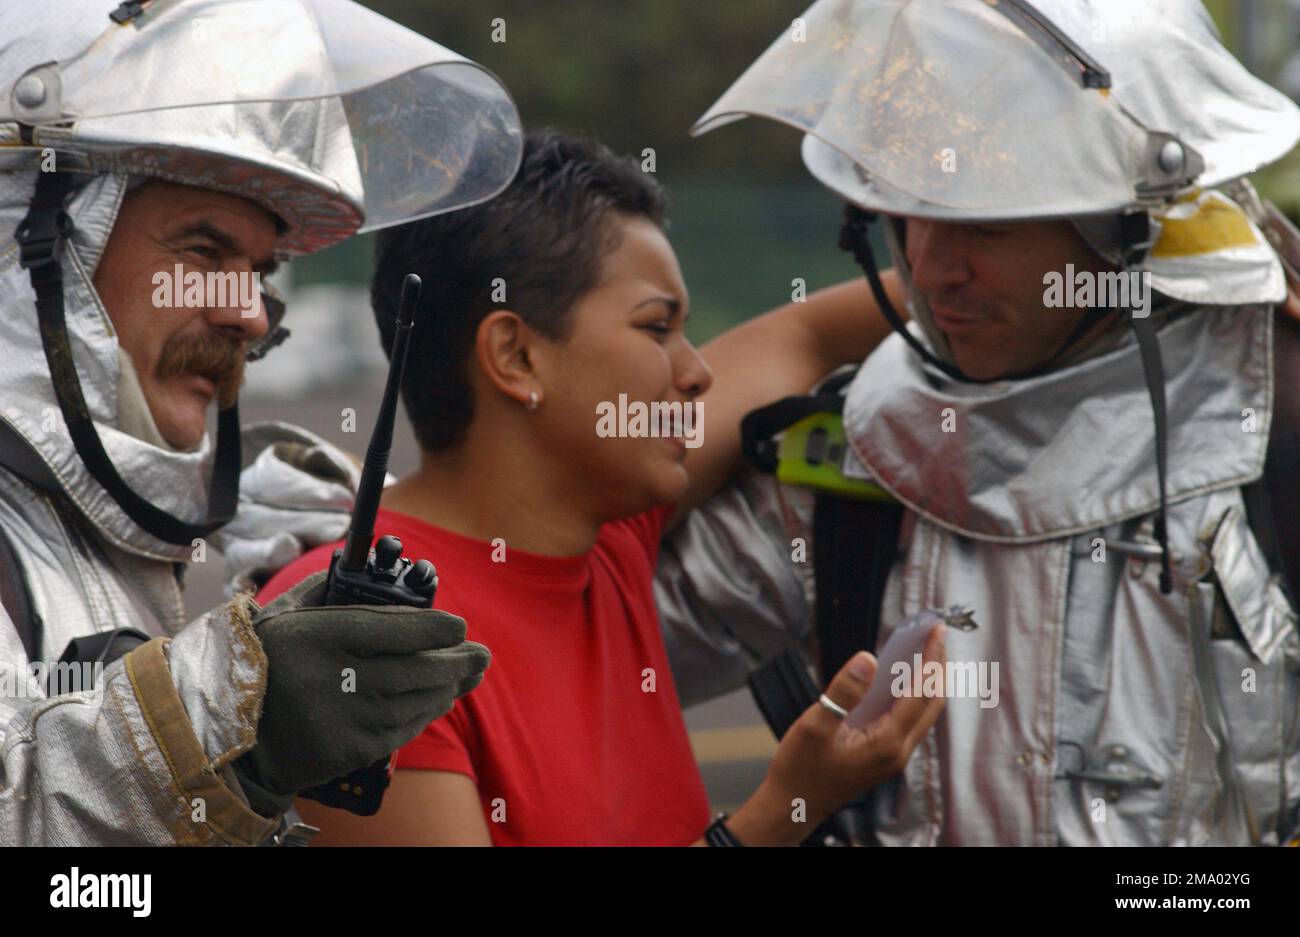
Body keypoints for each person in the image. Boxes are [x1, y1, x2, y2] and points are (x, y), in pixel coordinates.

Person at [673, 0, 1300, 845]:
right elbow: (577, 650)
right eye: (903, 211)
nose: (929, 270)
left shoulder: (1276, 434)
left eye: (984, 223)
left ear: (1122, 232)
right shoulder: (846, 468)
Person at [260, 129, 945, 846]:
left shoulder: (604, 532)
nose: (697, 372)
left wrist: (987, 257)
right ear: (516, 355)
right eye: (658, 328)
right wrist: (785, 807)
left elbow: (805, 336)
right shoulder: (357, 638)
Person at [0, 0, 522, 845]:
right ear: (30, 249)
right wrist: (238, 723)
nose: (248, 313)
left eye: (259, 269)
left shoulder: (195, 528)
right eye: (203, 253)